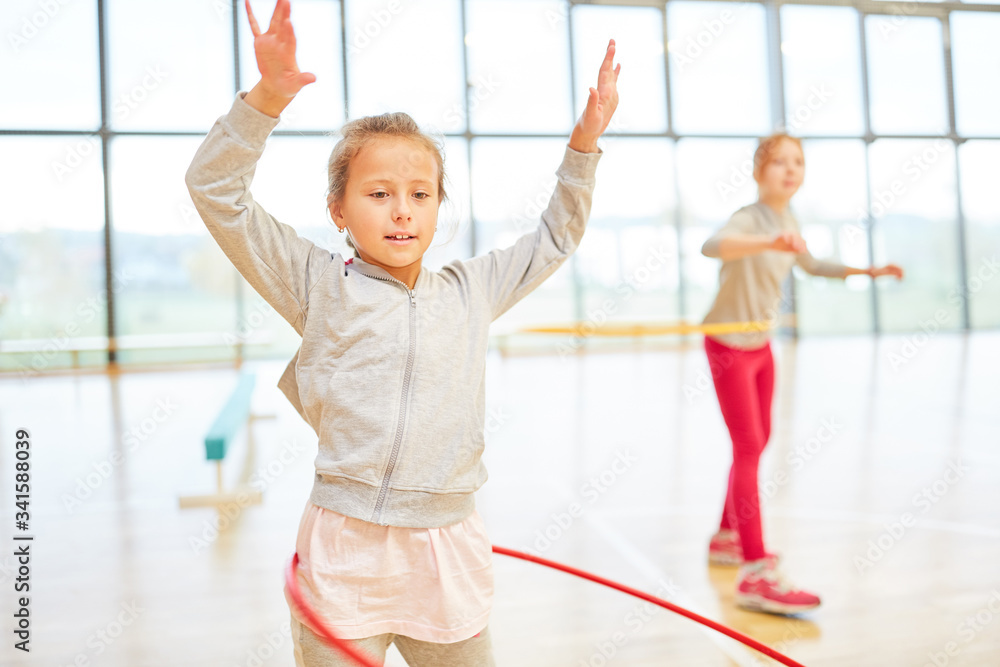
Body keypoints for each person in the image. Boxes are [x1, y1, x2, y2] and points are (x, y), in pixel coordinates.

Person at [184, 1, 620, 663]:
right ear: (338, 208)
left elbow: (557, 237)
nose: (402, 211)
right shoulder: (317, 283)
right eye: (378, 192)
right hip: (344, 547)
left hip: (447, 546)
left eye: (420, 193)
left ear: (439, 205)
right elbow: (215, 189)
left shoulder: (471, 290)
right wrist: (267, 97)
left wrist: (584, 147)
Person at [700, 133, 903, 615]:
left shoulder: (789, 219)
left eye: (798, 162)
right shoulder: (751, 219)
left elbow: (812, 265)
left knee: (758, 440)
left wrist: (867, 272)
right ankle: (754, 573)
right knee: (748, 446)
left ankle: (728, 536)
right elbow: (714, 246)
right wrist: (768, 240)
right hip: (728, 343)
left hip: (760, 343)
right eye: (778, 163)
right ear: (757, 172)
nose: (790, 170)